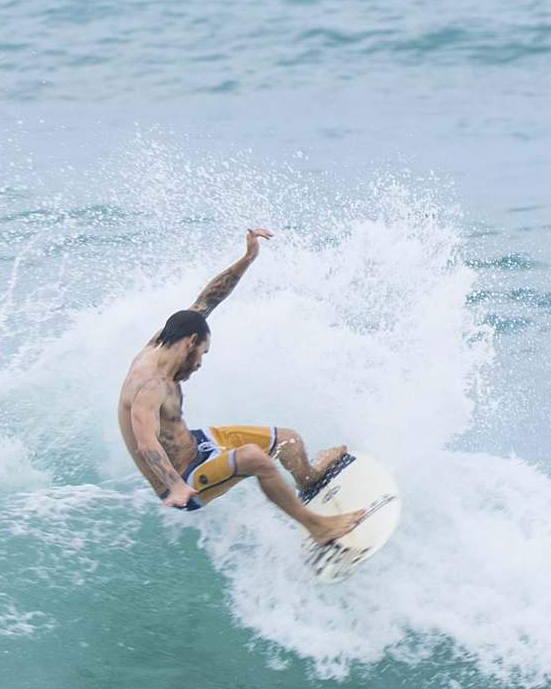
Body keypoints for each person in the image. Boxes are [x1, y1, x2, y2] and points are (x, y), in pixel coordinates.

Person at [116, 228, 366, 547]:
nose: (200, 363)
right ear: (191, 343)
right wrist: (175, 486)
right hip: (183, 479)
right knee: (254, 458)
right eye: (202, 354)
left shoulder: (169, 338)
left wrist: (247, 258)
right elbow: (145, 439)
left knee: (290, 440)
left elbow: (208, 299)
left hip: (197, 444)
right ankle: (317, 527)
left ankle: (309, 478)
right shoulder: (149, 382)